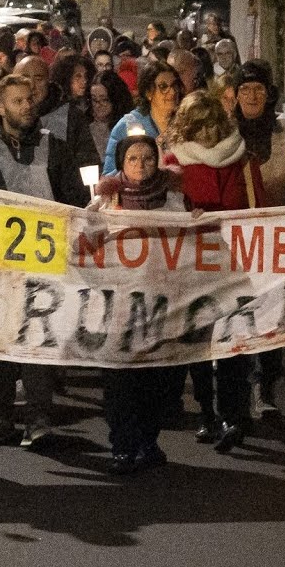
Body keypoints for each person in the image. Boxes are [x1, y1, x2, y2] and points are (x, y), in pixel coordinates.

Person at [0, 74, 90, 448]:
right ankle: (0, 415)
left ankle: (39, 418)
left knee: (38, 338)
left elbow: (74, 197)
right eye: (17, 101)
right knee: (1, 335)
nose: (27, 107)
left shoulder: (55, 146)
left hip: (46, 259)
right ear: (0, 106)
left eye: (30, 99)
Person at [162, 91, 264, 451]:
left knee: (235, 342)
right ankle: (209, 413)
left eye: (212, 122)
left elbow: (262, 214)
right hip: (192, 268)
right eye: (198, 124)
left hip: (236, 267)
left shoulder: (245, 163)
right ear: (187, 127)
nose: (206, 131)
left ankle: (233, 416)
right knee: (201, 344)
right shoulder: (172, 165)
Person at [90, 134, 186, 474]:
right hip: (117, 305)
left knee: (156, 379)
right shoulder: (108, 199)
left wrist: (196, 222)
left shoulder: (173, 196)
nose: (141, 165)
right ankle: (122, 445)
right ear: (122, 162)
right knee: (119, 380)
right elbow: (86, 238)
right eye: (133, 158)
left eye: (148, 158)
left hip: (160, 302)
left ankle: (148, 440)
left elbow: (185, 241)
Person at [232, 59, 285, 422]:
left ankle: (266, 389)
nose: (251, 95)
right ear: (235, 94)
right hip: (235, 243)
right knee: (237, 315)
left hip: (278, 242)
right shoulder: (225, 131)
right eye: (245, 89)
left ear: (269, 95)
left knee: (272, 317)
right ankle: (235, 392)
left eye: (259, 90)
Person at [14, 55, 99, 171]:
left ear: (48, 81)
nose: (32, 86)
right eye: (25, 79)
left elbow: (88, 163)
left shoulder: (71, 116)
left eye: (38, 79)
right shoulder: (0, 115)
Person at [103, 61, 183, 174]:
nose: (173, 92)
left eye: (175, 85)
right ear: (148, 92)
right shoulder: (128, 125)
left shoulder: (186, 122)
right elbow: (110, 175)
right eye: (163, 87)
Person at [86, 71, 135, 161]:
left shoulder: (129, 124)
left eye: (104, 99)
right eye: (94, 99)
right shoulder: (86, 127)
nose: (98, 105)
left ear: (115, 99)